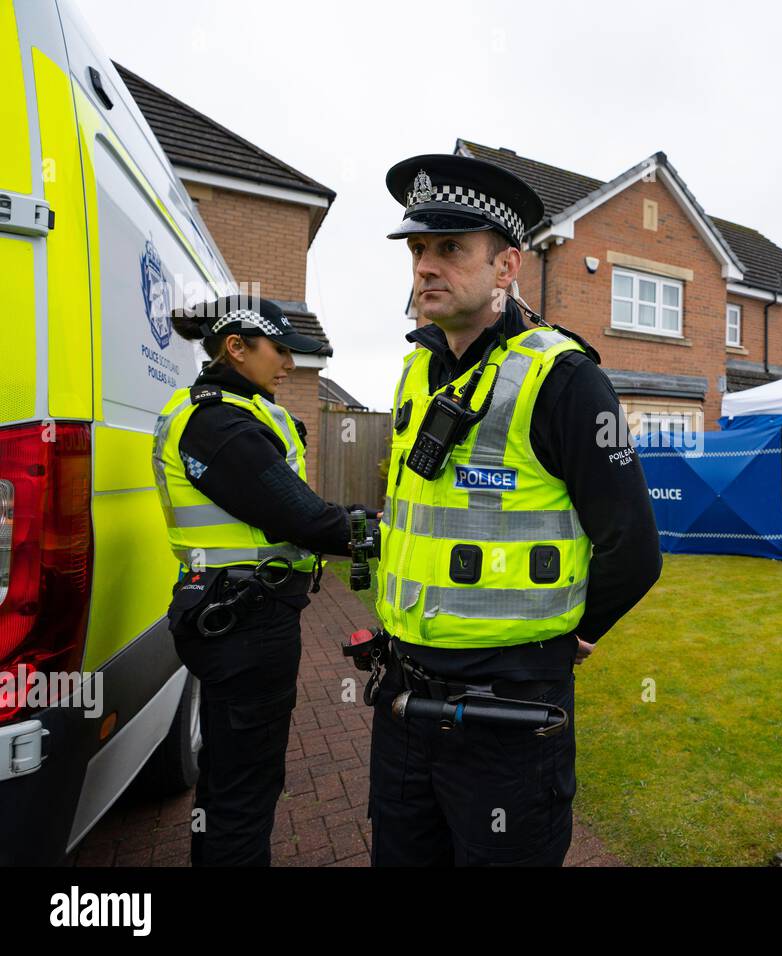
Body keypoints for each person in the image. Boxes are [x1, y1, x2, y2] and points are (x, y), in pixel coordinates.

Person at [366, 154, 662, 866]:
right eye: (418, 249)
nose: (426, 267)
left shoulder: (566, 379)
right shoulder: (414, 368)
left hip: (507, 712)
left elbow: (633, 546)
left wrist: (574, 639)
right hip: (403, 700)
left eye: (450, 249)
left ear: (506, 269)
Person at [152, 295, 370, 866]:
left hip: (243, 612)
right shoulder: (218, 422)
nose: (290, 365)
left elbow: (292, 509)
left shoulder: (227, 412)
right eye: (279, 350)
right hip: (247, 619)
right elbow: (300, 516)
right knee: (243, 790)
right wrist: (382, 531)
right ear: (236, 347)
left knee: (235, 779)